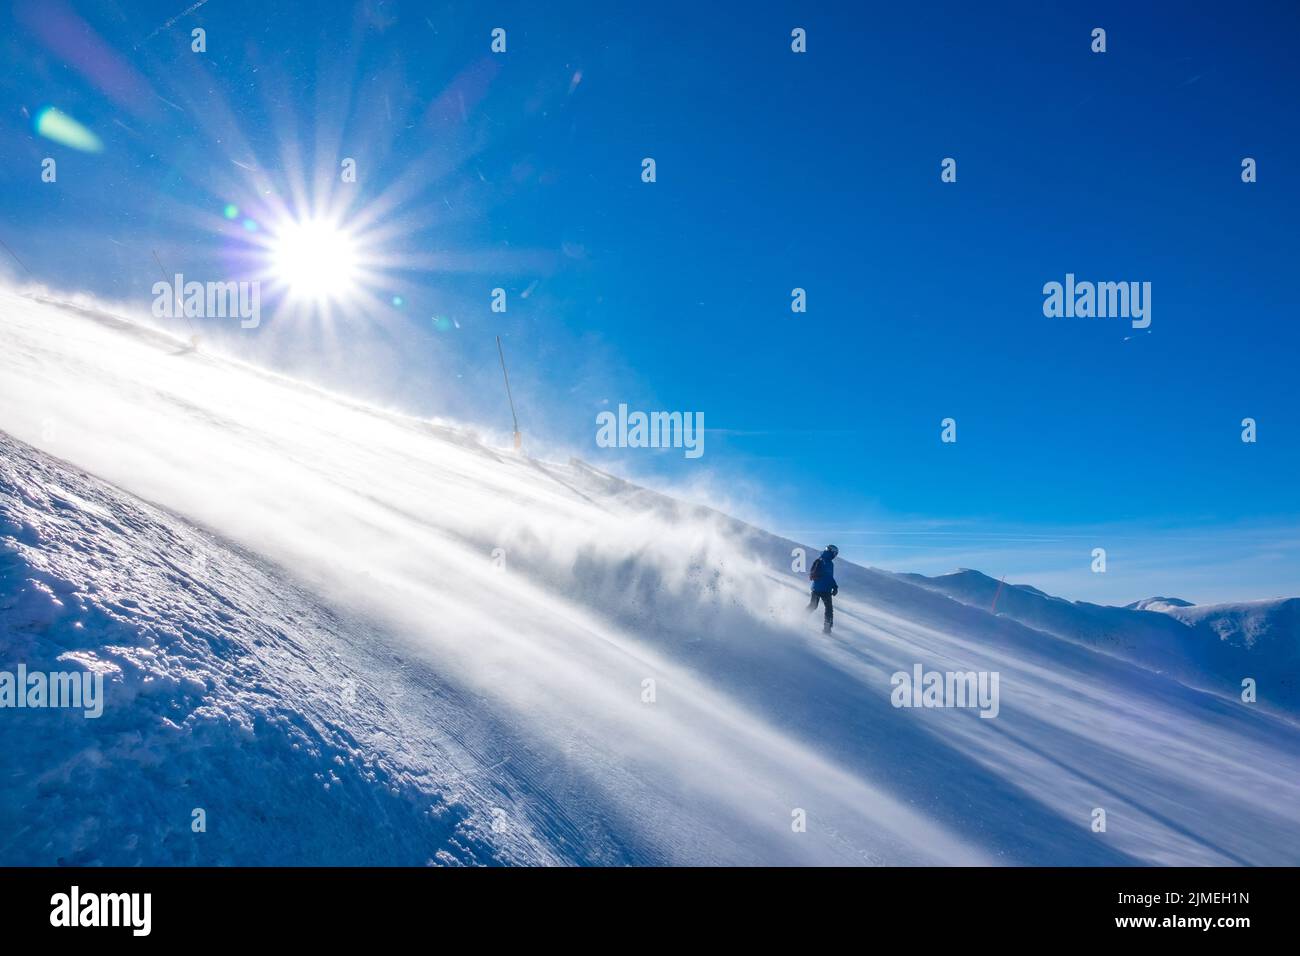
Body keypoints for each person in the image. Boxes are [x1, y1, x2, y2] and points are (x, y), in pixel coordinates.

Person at [807, 544, 839, 634]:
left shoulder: (822, 560)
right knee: (828, 609)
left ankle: (801, 618)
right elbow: (828, 577)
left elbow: (828, 577)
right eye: (835, 553)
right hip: (824, 590)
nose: (835, 555)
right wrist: (834, 587)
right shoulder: (826, 562)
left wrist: (835, 586)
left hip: (817, 588)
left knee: (813, 606)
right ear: (832, 552)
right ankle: (827, 628)